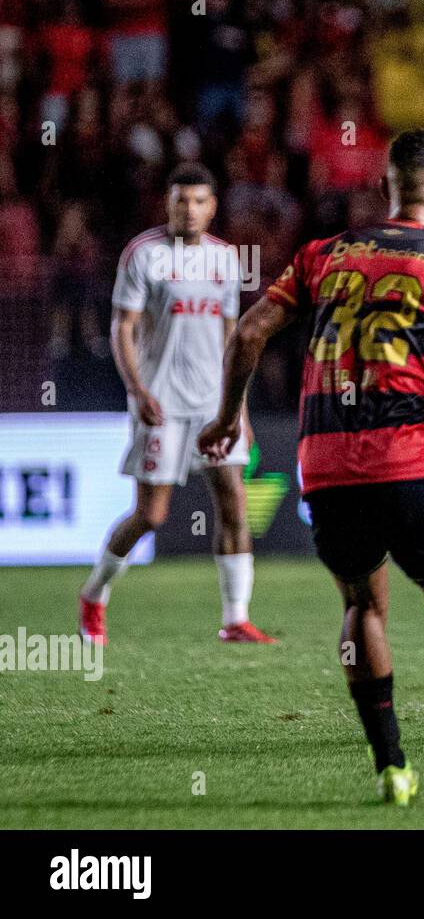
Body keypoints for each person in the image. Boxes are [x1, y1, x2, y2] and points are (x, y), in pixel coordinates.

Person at [199, 129, 424, 810]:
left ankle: (391, 769)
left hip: (326, 465)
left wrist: (223, 418)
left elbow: (247, 333)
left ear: (385, 187)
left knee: (363, 606)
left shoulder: (325, 254)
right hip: (411, 460)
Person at [78, 163, 273, 646]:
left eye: (199, 201)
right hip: (161, 401)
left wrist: (238, 410)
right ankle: (94, 594)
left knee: (233, 507)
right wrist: (137, 390)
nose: (189, 209)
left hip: (213, 403)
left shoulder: (226, 260)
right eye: (180, 200)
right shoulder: (144, 255)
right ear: (167, 203)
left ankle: (236, 619)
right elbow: (122, 327)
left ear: (212, 207)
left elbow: (233, 338)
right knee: (151, 516)